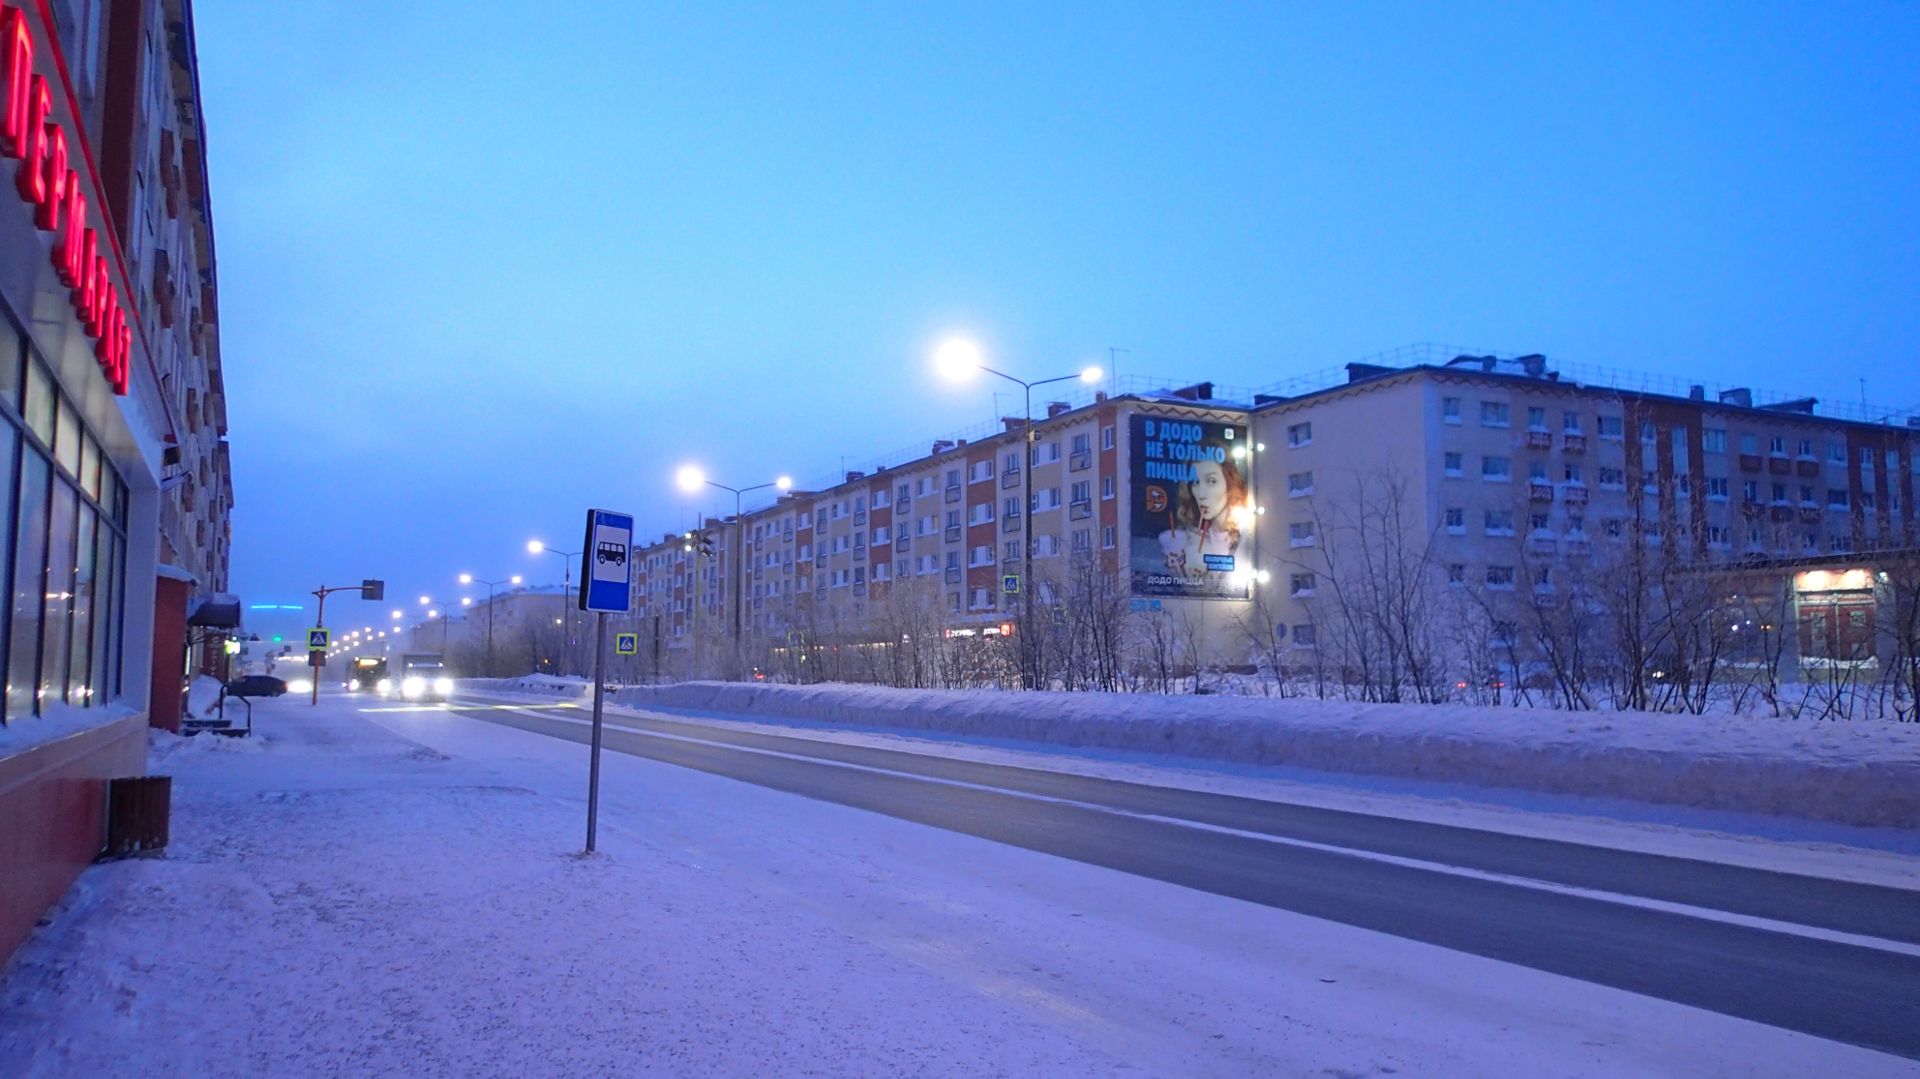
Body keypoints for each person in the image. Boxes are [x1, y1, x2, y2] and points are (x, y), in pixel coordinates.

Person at [1156, 438, 1247, 578]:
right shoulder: (1185, 541)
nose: (1202, 493)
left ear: (1230, 482)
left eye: (1211, 481)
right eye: (1196, 482)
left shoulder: (1248, 534)